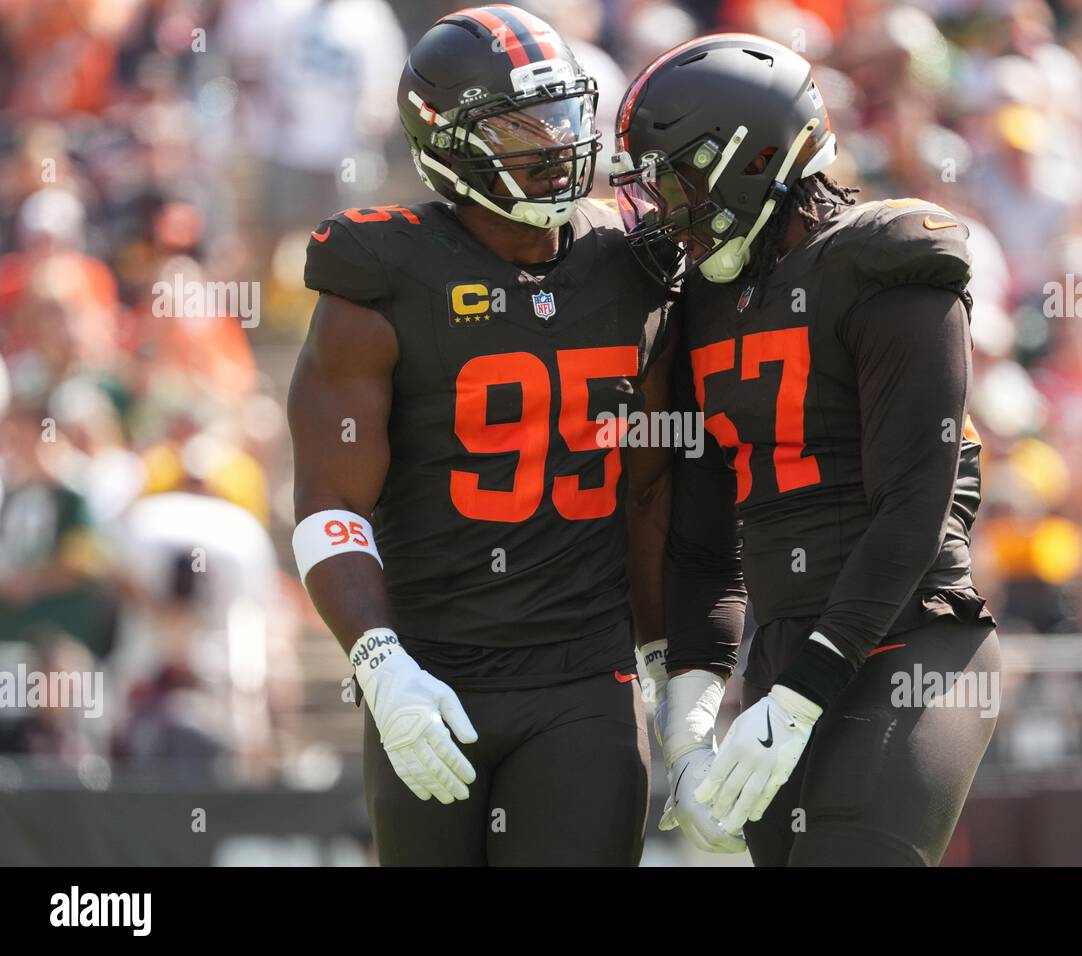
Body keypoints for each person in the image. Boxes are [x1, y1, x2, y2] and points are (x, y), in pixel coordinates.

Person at [288, 6, 671, 866]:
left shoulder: (633, 263)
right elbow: (329, 504)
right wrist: (381, 665)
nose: (556, 140)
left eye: (564, 112)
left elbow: (655, 488)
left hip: (583, 677)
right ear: (445, 144)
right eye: (518, 124)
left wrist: (678, 668)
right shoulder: (380, 279)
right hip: (431, 673)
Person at [613, 33, 1000, 865]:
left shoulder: (886, 264)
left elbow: (914, 510)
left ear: (746, 162)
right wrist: (687, 724)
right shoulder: (703, 305)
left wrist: (799, 699)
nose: (659, 208)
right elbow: (707, 544)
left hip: (909, 642)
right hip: (782, 649)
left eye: (673, 179)